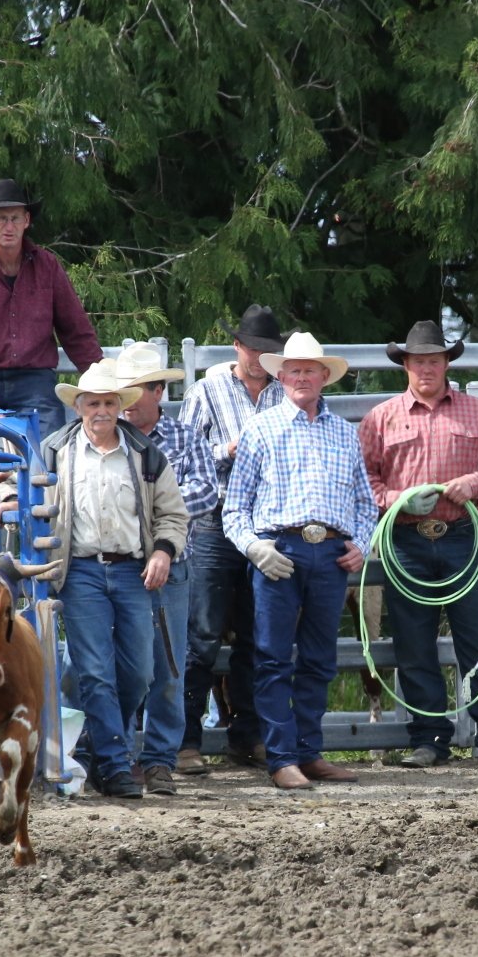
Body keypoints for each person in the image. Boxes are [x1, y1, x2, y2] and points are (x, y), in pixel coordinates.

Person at [360, 321, 478, 773]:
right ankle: (429, 739)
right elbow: (366, 480)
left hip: (463, 538)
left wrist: (472, 483)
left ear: (447, 363)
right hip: (405, 542)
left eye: (434, 360)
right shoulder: (381, 418)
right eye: (418, 362)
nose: (426, 369)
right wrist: (399, 499)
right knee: (414, 644)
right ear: (406, 366)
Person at [222, 332, 379, 791]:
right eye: (294, 370)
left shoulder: (345, 433)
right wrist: (255, 548)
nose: (302, 377)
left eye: (311, 369)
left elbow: (365, 505)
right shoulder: (260, 428)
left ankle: (307, 752)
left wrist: (361, 544)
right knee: (271, 657)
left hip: (331, 554)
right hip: (279, 550)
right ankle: (281, 756)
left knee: (318, 658)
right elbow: (236, 507)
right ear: (281, 376)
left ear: (324, 377)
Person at [43, 360, 189, 799]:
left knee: (140, 673)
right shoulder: (55, 451)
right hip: (81, 569)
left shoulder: (145, 454)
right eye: (93, 403)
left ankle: (96, 748)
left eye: (109, 402)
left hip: (132, 570)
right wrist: (8, 497)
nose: (102, 410)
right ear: (79, 406)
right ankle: (114, 763)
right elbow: (20, 487)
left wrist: (163, 551)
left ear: (119, 406)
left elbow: (173, 514)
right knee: (94, 671)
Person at [178, 304, 287, 771]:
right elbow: (184, 452)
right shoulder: (206, 391)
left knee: (256, 633)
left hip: (265, 524)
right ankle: (186, 739)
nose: (260, 357)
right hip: (214, 519)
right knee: (201, 633)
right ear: (237, 347)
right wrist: (229, 449)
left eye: (268, 350)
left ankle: (247, 733)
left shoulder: (286, 393)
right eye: (253, 348)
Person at [112, 344, 213, 796]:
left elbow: (207, 491)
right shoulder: (107, 434)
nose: (129, 401)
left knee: (167, 665)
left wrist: (150, 516)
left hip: (174, 563)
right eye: (124, 391)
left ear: (158, 391)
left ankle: (157, 761)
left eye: (137, 391)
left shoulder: (186, 436)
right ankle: (119, 754)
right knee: (126, 664)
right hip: (117, 564)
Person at [0, 178, 105, 442]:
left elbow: (76, 332)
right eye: (1, 218)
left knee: (49, 449)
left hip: (34, 381)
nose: (9, 227)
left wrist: (101, 381)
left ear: (26, 220)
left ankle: (45, 482)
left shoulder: (48, 267)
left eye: (15, 218)